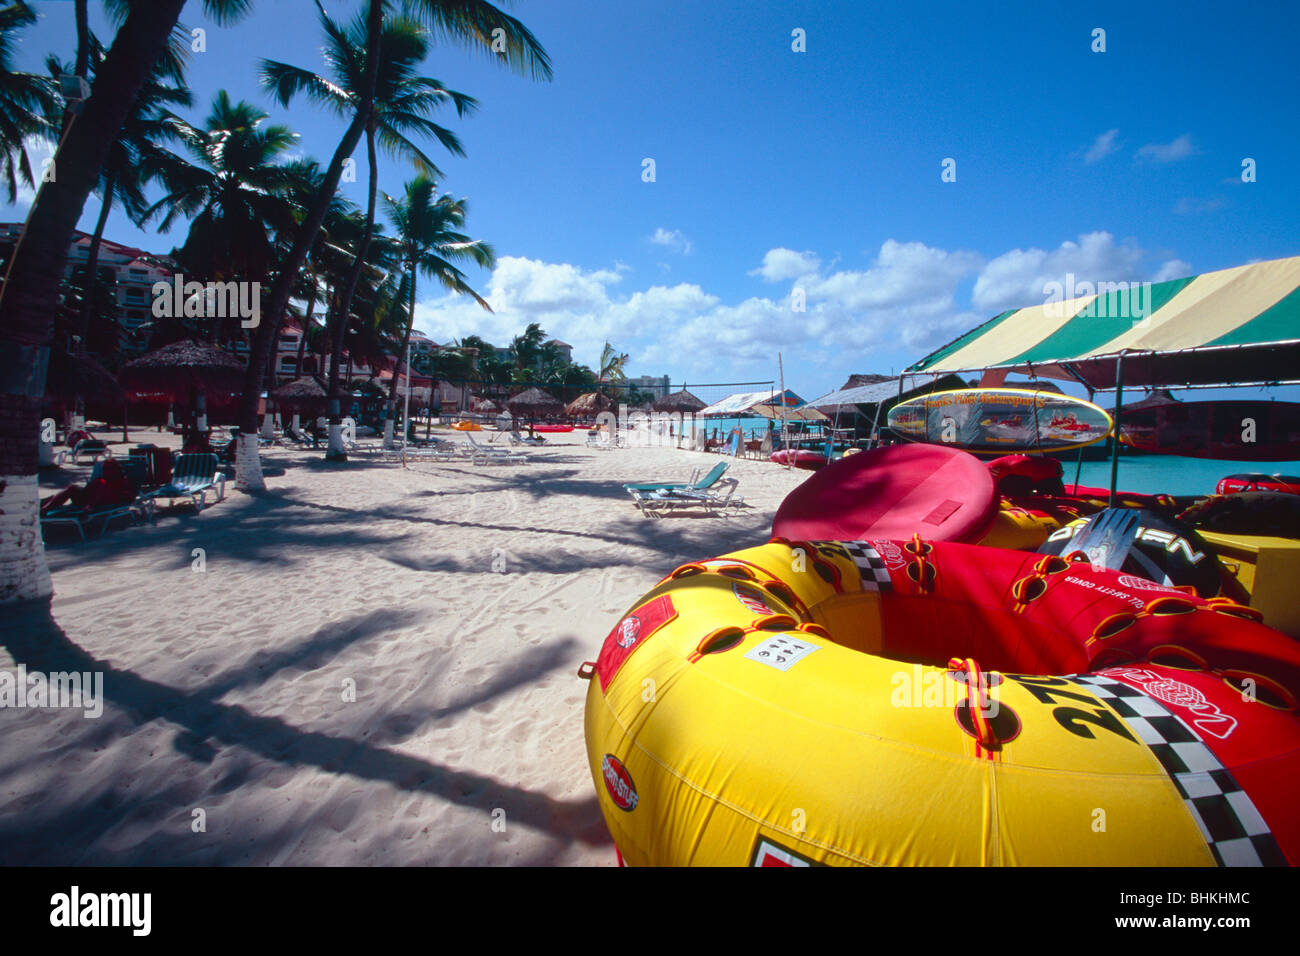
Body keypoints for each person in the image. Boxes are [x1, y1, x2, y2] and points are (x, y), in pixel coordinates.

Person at [41, 458, 135, 514]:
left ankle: (45, 509)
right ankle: (46, 504)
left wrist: (90, 505)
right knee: (71, 489)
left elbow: (126, 495)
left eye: (107, 469)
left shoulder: (120, 481)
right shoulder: (104, 479)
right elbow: (92, 488)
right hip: (88, 498)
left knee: (72, 489)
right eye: (104, 469)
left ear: (115, 470)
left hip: (94, 504)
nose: (104, 471)